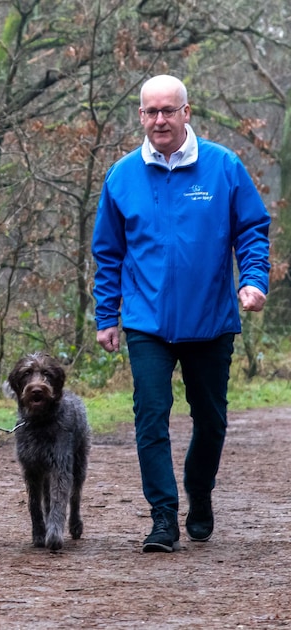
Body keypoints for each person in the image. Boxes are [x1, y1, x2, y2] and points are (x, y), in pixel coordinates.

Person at [92, 74, 271, 553]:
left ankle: (201, 492)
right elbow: (108, 252)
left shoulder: (223, 167)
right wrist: (106, 314)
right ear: (141, 117)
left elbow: (252, 230)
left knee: (210, 420)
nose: (160, 120)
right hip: (146, 322)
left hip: (211, 320)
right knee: (151, 417)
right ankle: (163, 518)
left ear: (186, 113)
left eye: (169, 110)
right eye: (151, 112)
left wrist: (253, 280)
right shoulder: (122, 176)